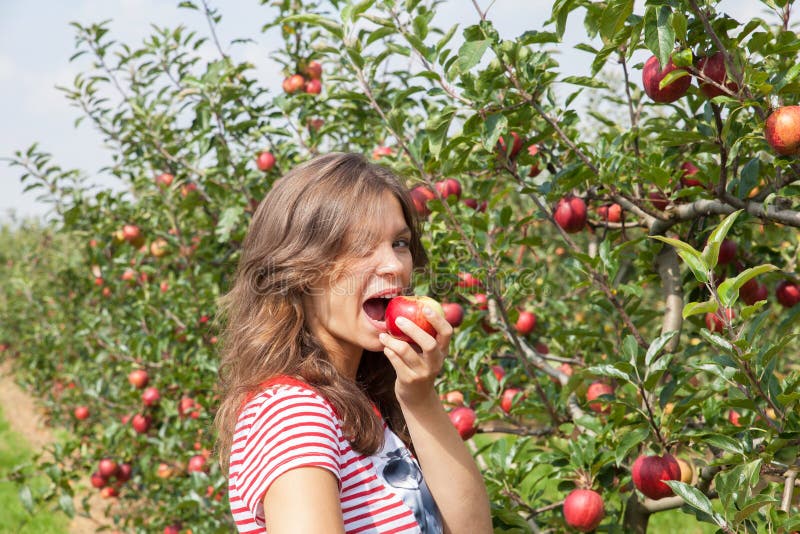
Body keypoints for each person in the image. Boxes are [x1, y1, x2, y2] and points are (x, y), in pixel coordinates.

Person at [213, 152, 492, 534]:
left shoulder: (364, 406)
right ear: (301, 269)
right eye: (361, 245)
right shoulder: (292, 412)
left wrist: (420, 398)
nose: (395, 266)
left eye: (400, 243)